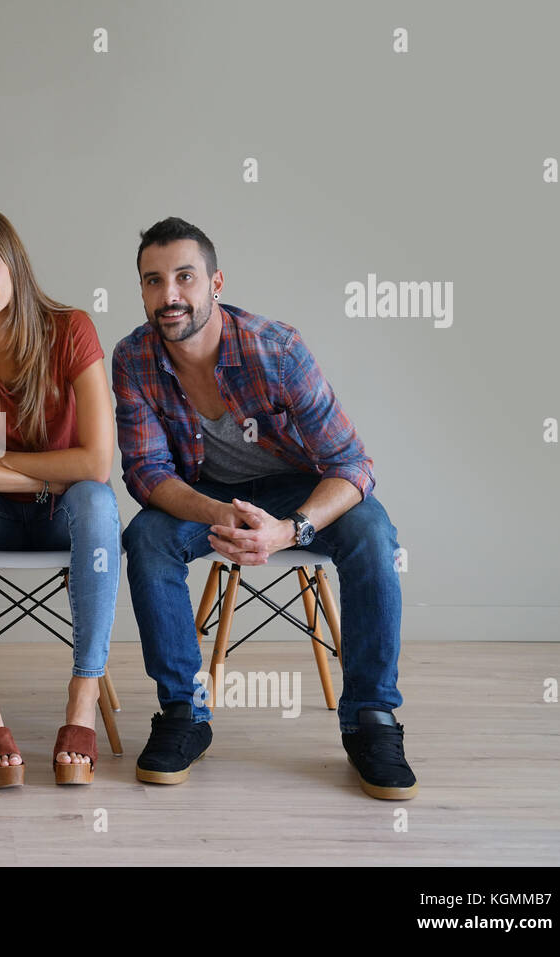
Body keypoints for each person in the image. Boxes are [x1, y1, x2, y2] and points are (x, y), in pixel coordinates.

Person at [113, 216, 416, 799]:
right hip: (205, 496)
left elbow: (353, 466)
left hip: (300, 491)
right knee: (146, 538)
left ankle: (371, 718)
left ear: (216, 282)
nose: (169, 295)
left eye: (184, 277)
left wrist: (289, 530)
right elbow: (148, 474)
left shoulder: (276, 349)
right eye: (153, 281)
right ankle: (183, 714)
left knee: (373, 535)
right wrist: (217, 514)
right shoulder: (133, 359)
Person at [0, 207, 121, 788]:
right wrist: (45, 477)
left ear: (15, 265)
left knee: (97, 502)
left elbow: (97, 464)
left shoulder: (72, 328)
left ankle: (82, 701)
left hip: (67, 516)